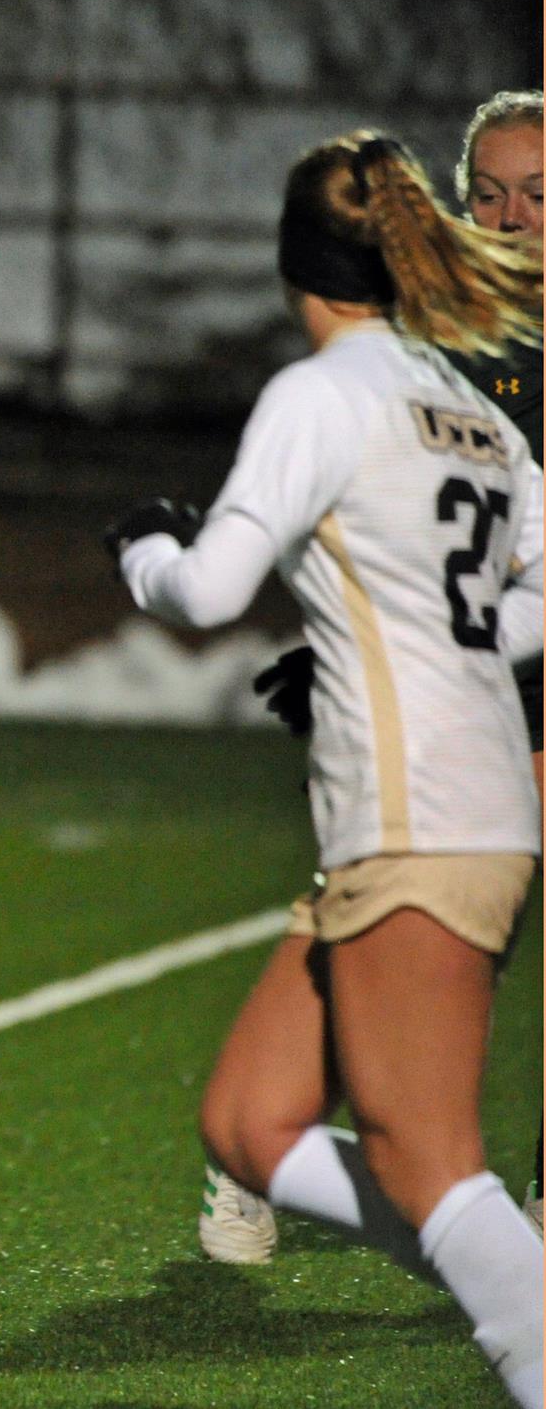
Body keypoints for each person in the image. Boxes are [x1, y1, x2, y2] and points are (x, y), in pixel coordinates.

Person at [105, 129, 543, 1405]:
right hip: (440, 806)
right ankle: (501, 1269)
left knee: (427, 1158)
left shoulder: (325, 391)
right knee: (249, 1125)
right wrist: (429, 639)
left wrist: (142, 548)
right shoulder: (460, 404)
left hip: (419, 816)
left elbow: (208, 587)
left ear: (292, 261)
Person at [205, 92, 546, 1264]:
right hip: (463, 695)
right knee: (390, 909)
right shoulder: (434, 344)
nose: (509, 215)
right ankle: (271, 1152)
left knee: (429, 923)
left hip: (491, 694)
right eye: (487, 191)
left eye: (536, 194)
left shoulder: (429, 359)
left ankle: (497, 1220)